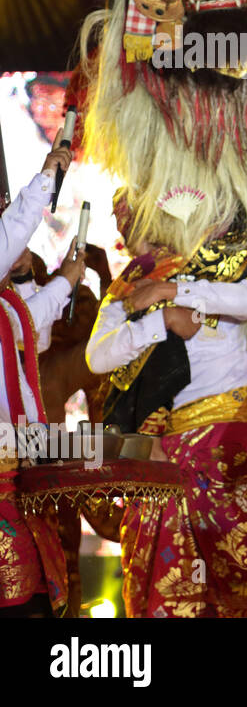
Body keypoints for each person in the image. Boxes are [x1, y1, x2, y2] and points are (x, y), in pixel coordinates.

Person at [85, 220, 247, 617]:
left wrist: (171, 290)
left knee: (243, 568)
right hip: (162, 444)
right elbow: (98, 356)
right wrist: (162, 319)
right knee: (169, 579)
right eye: (133, 225)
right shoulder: (129, 284)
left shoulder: (229, 263)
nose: (148, 237)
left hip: (227, 436)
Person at [0, 147, 84, 616]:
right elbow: (10, 234)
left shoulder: (4, 308)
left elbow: (31, 332)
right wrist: (48, 176)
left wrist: (56, 280)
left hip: (16, 469)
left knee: (27, 598)